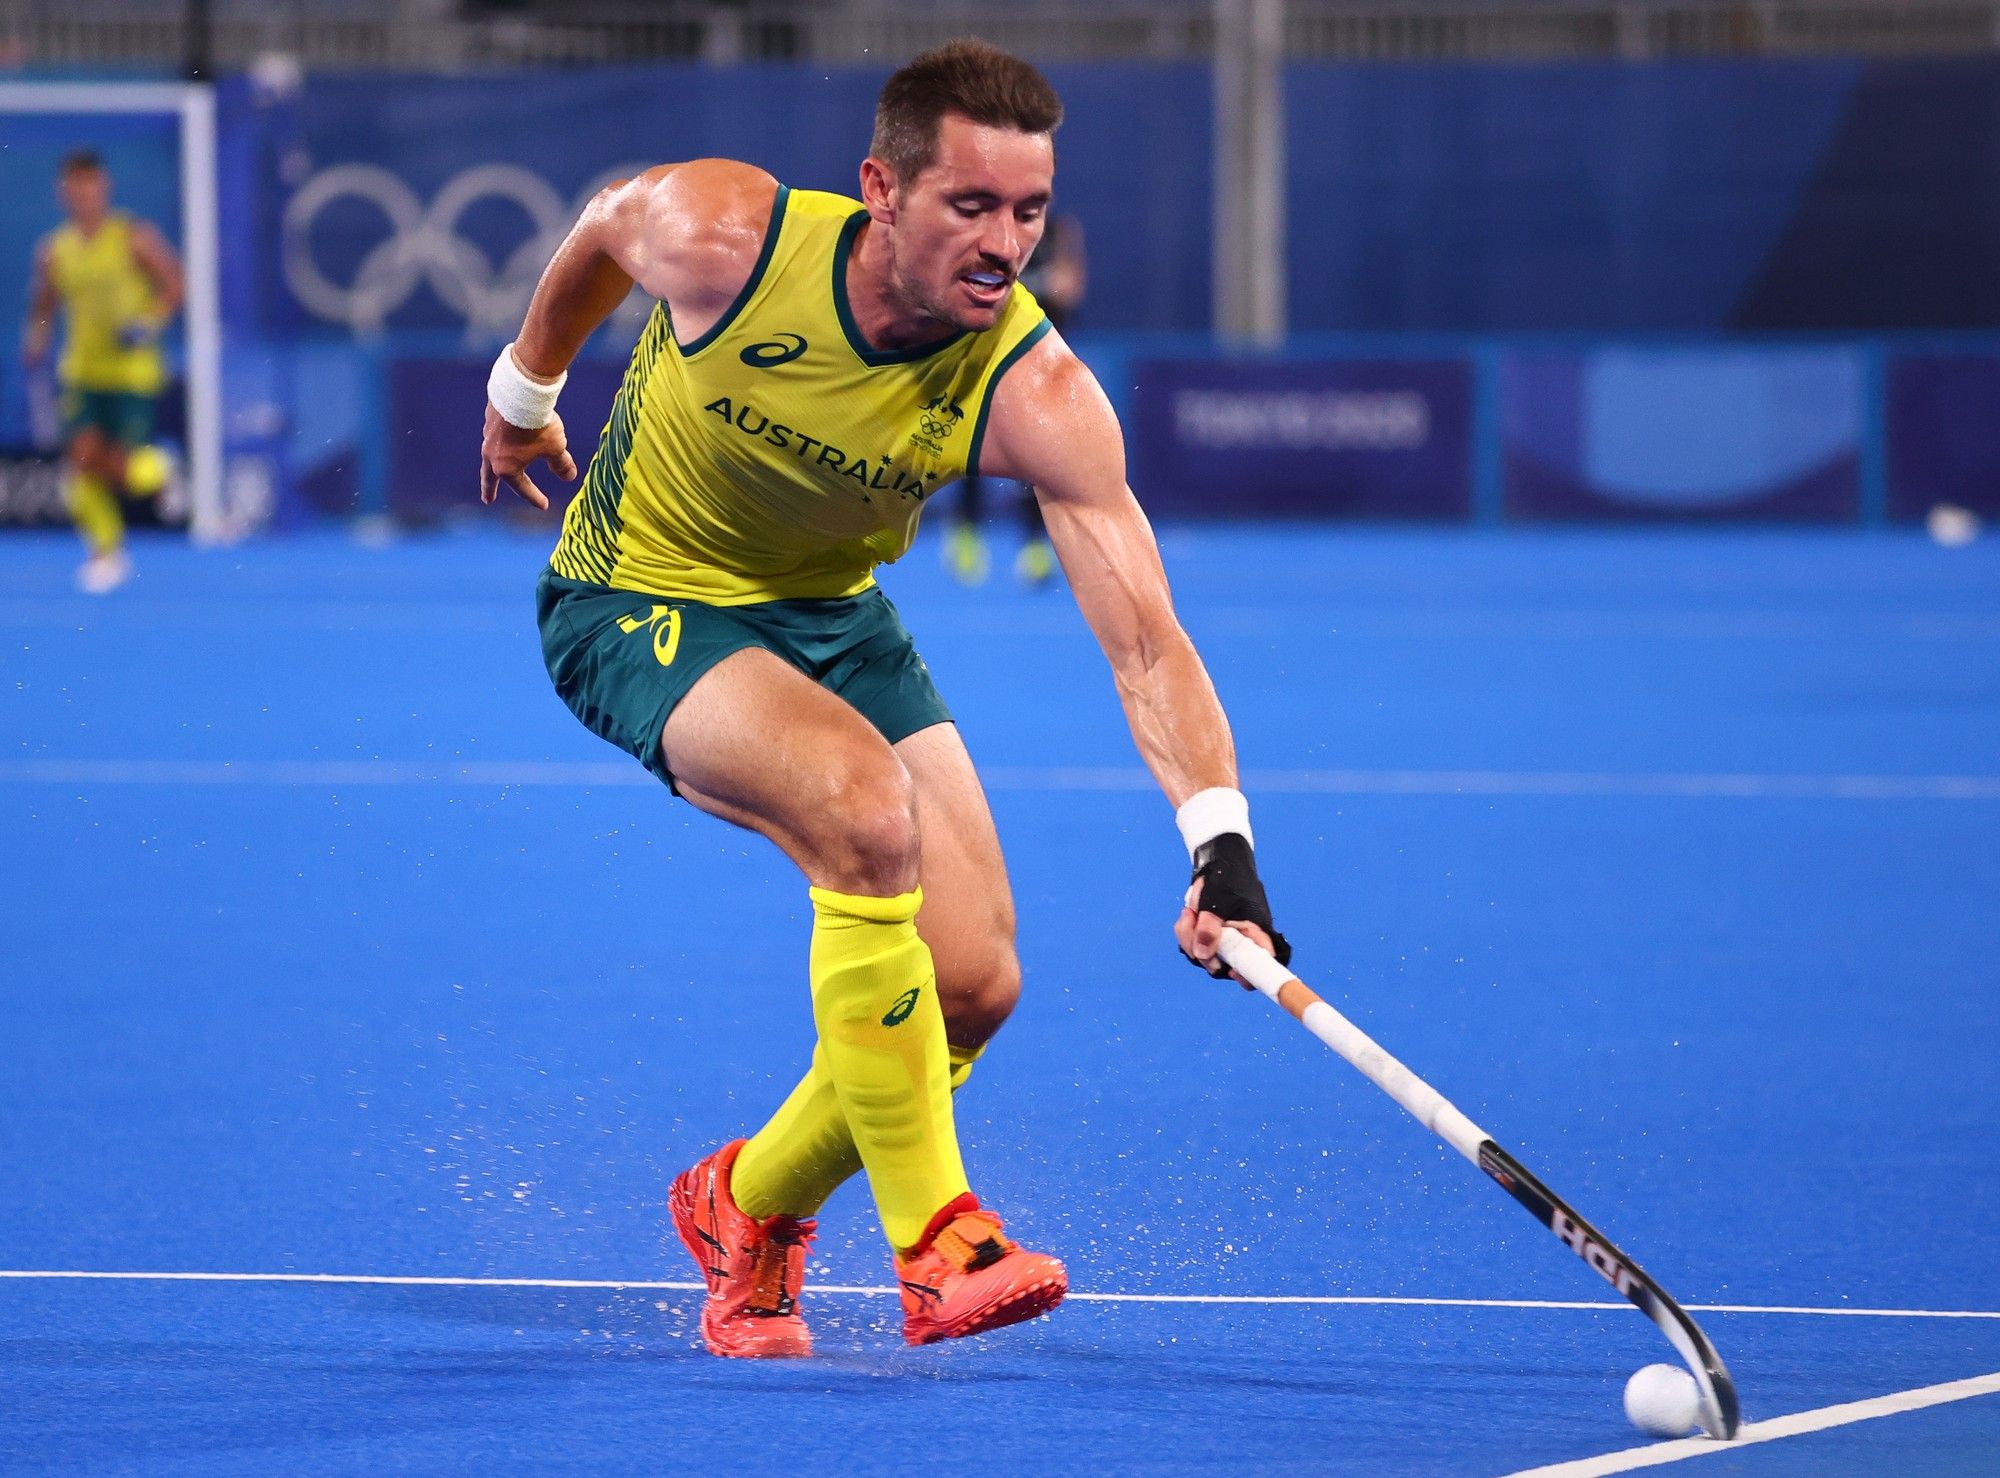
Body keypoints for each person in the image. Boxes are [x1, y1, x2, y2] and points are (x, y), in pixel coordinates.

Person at [479, 40, 1289, 1359]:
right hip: (638, 594)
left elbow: (1146, 643)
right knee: (864, 812)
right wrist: (526, 390)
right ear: (885, 192)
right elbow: (601, 231)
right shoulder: (728, 239)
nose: (1005, 244)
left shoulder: (1039, 391)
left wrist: (1223, 842)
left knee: (971, 982)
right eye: (972, 205)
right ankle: (938, 1239)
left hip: (832, 618)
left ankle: (745, 1207)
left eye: (1028, 211)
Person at [21, 150, 183, 594]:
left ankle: (159, 471)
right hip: (82, 372)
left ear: (104, 189)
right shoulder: (55, 251)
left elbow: (175, 283)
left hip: (131, 373)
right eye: (76, 190)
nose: (85, 198)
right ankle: (107, 552)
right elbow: (43, 307)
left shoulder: (134, 237)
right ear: (64, 194)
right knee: (82, 460)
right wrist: (35, 342)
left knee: (123, 469)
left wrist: (148, 322)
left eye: (91, 188)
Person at [942, 210, 1085, 588]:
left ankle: (1035, 549)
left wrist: (1053, 285)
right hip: (985, 363)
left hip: (1039, 370)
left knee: (1035, 464)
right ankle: (967, 535)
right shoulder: (992, 237)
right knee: (971, 453)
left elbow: (1070, 288)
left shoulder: (1059, 231)